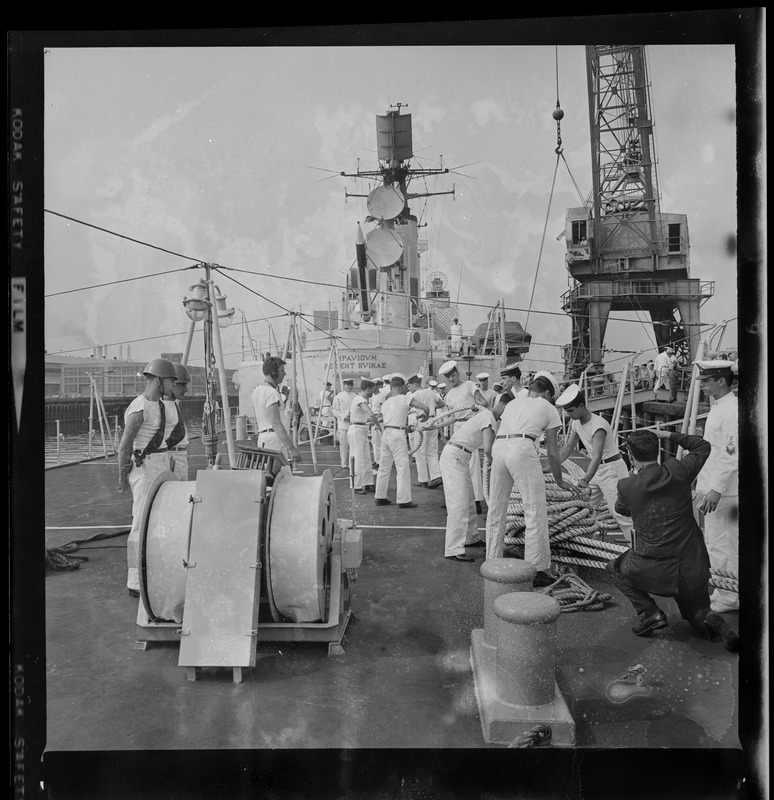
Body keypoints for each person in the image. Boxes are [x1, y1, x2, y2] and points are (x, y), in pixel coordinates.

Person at [607, 429, 739, 651]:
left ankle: (651, 613)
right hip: (692, 568)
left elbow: (621, 509)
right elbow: (702, 446)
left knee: (614, 568)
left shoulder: (627, 486)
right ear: (656, 449)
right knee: (696, 611)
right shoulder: (678, 470)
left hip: (652, 571)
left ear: (630, 455)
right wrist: (667, 434)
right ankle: (714, 621)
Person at [484, 370, 577, 587]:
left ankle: (491, 560)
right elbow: (554, 453)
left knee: (497, 507)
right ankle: (537, 569)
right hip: (523, 448)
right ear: (546, 393)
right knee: (534, 509)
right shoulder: (548, 407)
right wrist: (560, 480)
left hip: (500, 449)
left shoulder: (514, 403)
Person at [117, 358, 188, 596]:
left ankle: (154, 572)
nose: (174, 384)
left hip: (159, 464)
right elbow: (124, 448)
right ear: (159, 381)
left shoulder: (159, 406)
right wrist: (122, 477)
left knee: (158, 520)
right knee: (140, 522)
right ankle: (135, 582)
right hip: (144, 469)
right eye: (171, 381)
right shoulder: (138, 409)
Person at [554, 384, 633, 544]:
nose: (567, 415)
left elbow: (597, 456)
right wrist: (552, 465)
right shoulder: (576, 423)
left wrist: (585, 480)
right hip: (597, 470)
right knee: (585, 506)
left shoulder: (598, 425)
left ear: (581, 406)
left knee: (620, 513)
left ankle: (637, 549)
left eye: (570, 411)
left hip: (611, 469)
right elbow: (568, 447)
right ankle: (586, 541)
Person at [693, 360, 739, 613]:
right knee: (716, 541)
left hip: (725, 491)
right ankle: (725, 590)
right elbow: (713, 452)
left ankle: (730, 597)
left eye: (706, 381)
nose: (703, 386)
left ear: (721, 381)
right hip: (714, 485)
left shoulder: (731, 410)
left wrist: (716, 489)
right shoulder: (719, 408)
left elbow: (731, 455)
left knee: (722, 543)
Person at [438, 408, 498, 561]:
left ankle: (471, 538)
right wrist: (495, 464)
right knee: (459, 504)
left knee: (470, 501)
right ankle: (453, 549)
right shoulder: (488, 417)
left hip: (462, 457)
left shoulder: (489, 417)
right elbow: (488, 448)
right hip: (454, 456)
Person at [438, 360, 489, 514]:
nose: (452, 379)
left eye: (453, 375)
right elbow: (452, 417)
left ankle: (477, 501)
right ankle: (458, 500)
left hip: (471, 425)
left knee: (472, 465)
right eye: (449, 378)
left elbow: (483, 402)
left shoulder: (469, 385)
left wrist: (476, 405)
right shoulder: (449, 395)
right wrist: (436, 426)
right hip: (458, 428)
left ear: (457, 373)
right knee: (457, 465)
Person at [374, 374, 429, 509]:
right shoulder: (406, 397)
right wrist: (425, 416)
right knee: (402, 467)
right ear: (403, 386)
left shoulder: (386, 403)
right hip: (397, 436)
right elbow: (425, 408)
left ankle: (380, 497)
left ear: (392, 387)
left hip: (386, 435)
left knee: (384, 467)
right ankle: (404, 500)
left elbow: (390, 420)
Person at [250, 355, 300, 463]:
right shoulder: (271, 392)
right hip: (274, 440)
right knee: (283, 476)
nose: (284, 374)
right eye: (282, 371)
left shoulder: (256, 391)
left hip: (263, 438)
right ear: (274, 373)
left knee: (269, 477)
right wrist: (291, 448)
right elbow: (276, 422)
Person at [406, 374, 442, 489]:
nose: (409, 388)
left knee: (420, 452)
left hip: (421, 421)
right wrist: (431, 408)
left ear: (415, 384)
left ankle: (423, 479)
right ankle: (436, 476)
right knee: (432, 451)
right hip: (433, 421)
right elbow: (442, 404)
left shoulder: (414, 395)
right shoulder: (431, 392)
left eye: (410, 385)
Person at [347, 377, 381, 494]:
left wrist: (378, 419)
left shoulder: (361, 399)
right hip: (356, 430)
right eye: (373, 389)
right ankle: (356, 485)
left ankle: (367, 483)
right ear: (368, 389)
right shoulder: (360, 399)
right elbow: (371, 414)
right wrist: (378, 425)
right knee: (358, 458)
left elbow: (366, 418)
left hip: (362, 428)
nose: (374, 391)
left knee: (366, 458)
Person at [168, 362, 192, 478]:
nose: (186, 389)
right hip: (172, 459)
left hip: (180, 457)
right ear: (172, 384)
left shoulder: (173, 404)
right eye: (182, 385)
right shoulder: (161, 407)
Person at [332, 378, 356, 468]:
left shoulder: (355, 396)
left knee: (353, 445)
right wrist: (343, 417)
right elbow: (335, 410)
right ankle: (343, 462)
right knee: (343, 445)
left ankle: (351, 463)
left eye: (351, 385)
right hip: (342, 424)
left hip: (353, 424)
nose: (349, 387)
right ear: (344, 385)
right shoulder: (338, 396)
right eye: (347, 385)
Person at [369, 378, 385, 467]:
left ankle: (380, 461)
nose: (373, 388)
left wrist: (375, 420)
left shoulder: (381, 396)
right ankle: (376, 460)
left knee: (379, 442)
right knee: (374, 442)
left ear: (378, 386)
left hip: (379, 420)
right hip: (374, 419)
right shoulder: (373, 396)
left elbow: (382, 410)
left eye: (374, 386)